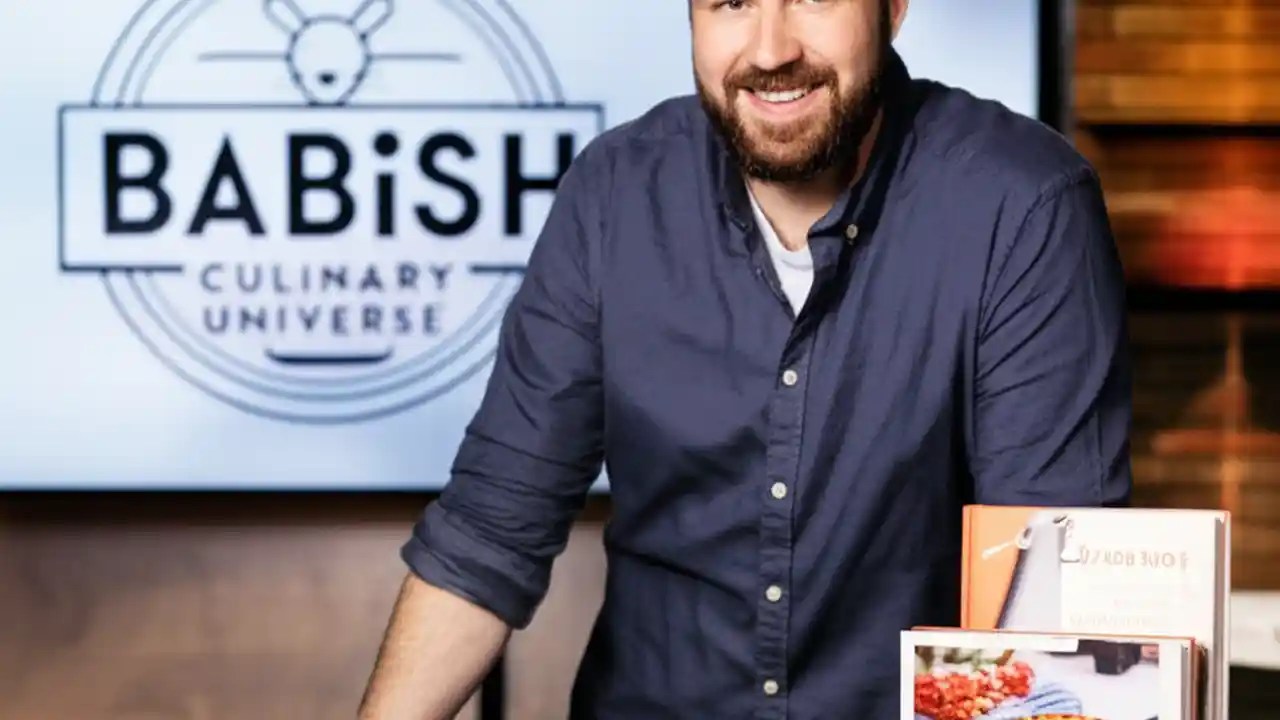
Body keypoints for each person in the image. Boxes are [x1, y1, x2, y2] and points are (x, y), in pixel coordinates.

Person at [358, 0, 1133, 717]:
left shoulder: (1022, 204)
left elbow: (1045, 593)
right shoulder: (613, 195)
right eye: (731, 1)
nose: (771, 49)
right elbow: (489, 538)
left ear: (892, 7)